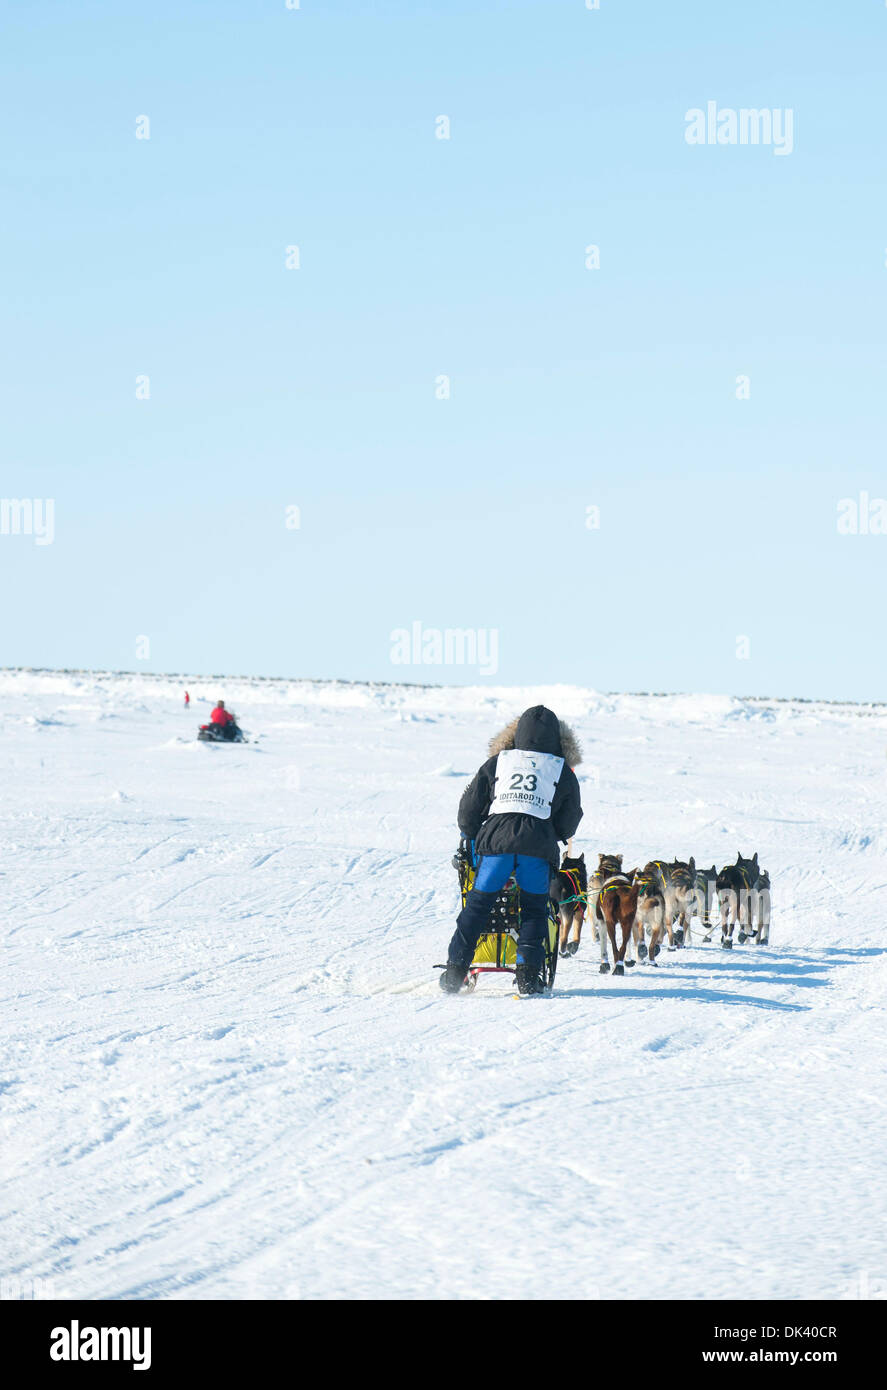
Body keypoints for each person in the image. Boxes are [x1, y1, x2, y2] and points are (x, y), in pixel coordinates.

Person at [441, 705, 583, 996]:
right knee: (533, 910)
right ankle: (529, 977)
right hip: (537, 849)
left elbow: (469, 809)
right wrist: (549, 833)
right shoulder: (561, 770)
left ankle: (455, 971)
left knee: (478, 906)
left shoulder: (497, 763)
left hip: (496, 846)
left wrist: (470, 836)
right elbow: (569, 822)